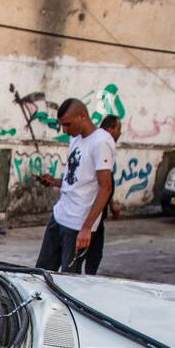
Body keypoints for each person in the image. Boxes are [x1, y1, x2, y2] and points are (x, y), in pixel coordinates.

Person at [34, 99, 114, 271]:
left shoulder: (100, 142)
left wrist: (87, 227)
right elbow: (75, 178)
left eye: (68, 124)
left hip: (78, 225)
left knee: (68, 280)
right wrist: (54, 181)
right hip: (60, 215)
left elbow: (106, 187)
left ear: (82, 117)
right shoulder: (76, 139)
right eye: (62, 125)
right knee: (41, 272)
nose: (65, 130)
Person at [78, 114, 121, 275]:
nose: (120, 133)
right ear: (111, 129)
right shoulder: (100, 144)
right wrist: (88, 225)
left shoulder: (103, 146)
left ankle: (89, 278)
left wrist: (111, 203)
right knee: (85, 251)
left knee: (94, 252)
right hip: (91, 212)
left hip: (98, 212)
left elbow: (106, 184)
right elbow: (101, 185)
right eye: (118, 129)